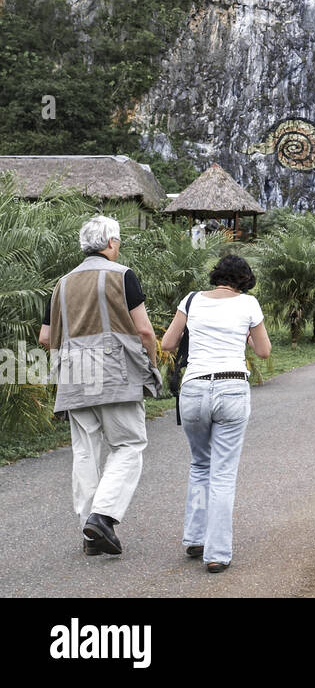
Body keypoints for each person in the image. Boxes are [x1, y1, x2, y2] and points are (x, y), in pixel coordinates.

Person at [38, 215, 161, 557]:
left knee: (85, 452)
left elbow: (46, 337)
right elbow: (146, 331)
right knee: (129, 444)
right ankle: (103, 517)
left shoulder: (61, 283)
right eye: (118, 241)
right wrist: (149, 365)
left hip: (73, 377)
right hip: (114, 372)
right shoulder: (122, 276)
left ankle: (90, 534)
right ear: (110, 243)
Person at [161, 254, 271, 573]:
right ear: (245, 280)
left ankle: (195, 538)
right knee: (222, 472)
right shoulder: (248, 305)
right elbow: (263, 351)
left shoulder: (192, 300)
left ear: (217, 275)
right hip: (232, 388)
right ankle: (217, 553)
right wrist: (245, 335)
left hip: (194, 389)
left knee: (200, 464)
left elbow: (168, 343)